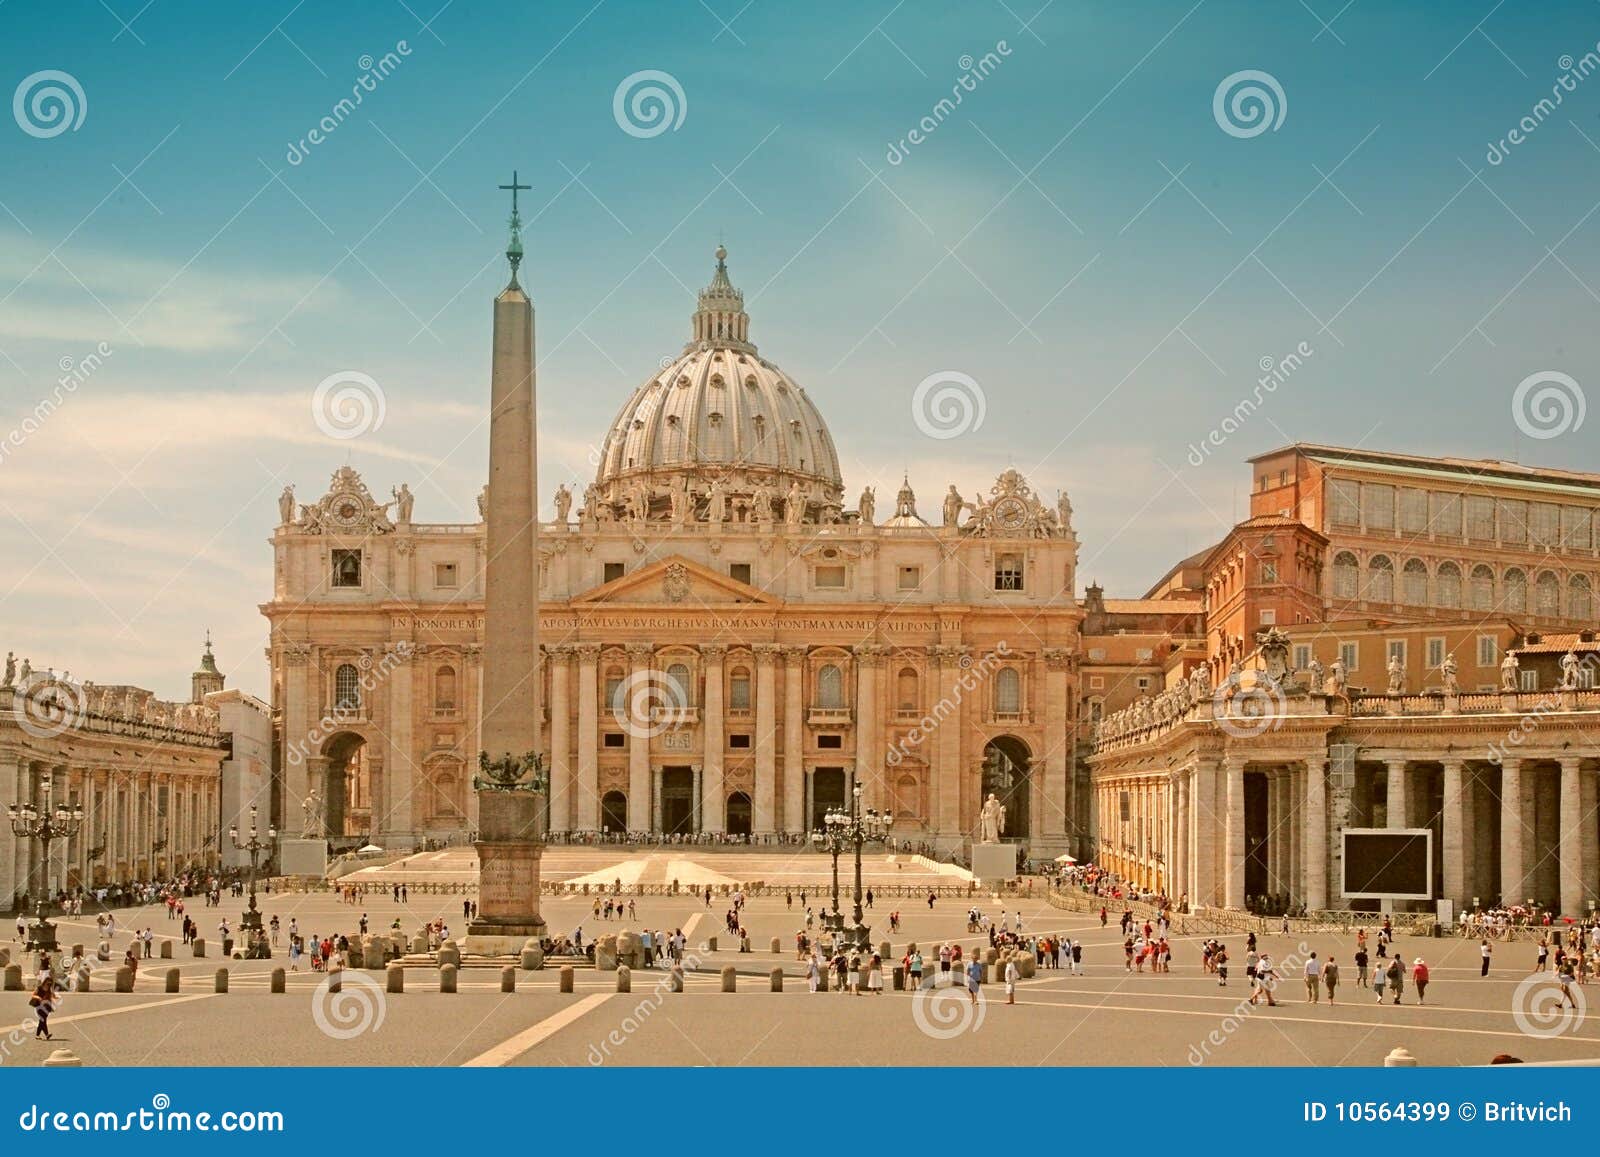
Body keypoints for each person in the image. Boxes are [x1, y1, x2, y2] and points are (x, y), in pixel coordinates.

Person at [31, 974, 56, 1041]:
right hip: (39, 1006)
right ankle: (46, 1035)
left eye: (50, 983)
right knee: (43, 1020)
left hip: (47, 1007)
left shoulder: (49, 989)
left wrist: (51, 1007)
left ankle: (38, 1035)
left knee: (42, 1021)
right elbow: (33, 995)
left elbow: (52, 997)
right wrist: (38, 997)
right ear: (45, 981)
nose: (49, 984)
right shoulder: (39, 988)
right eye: (48, 982)